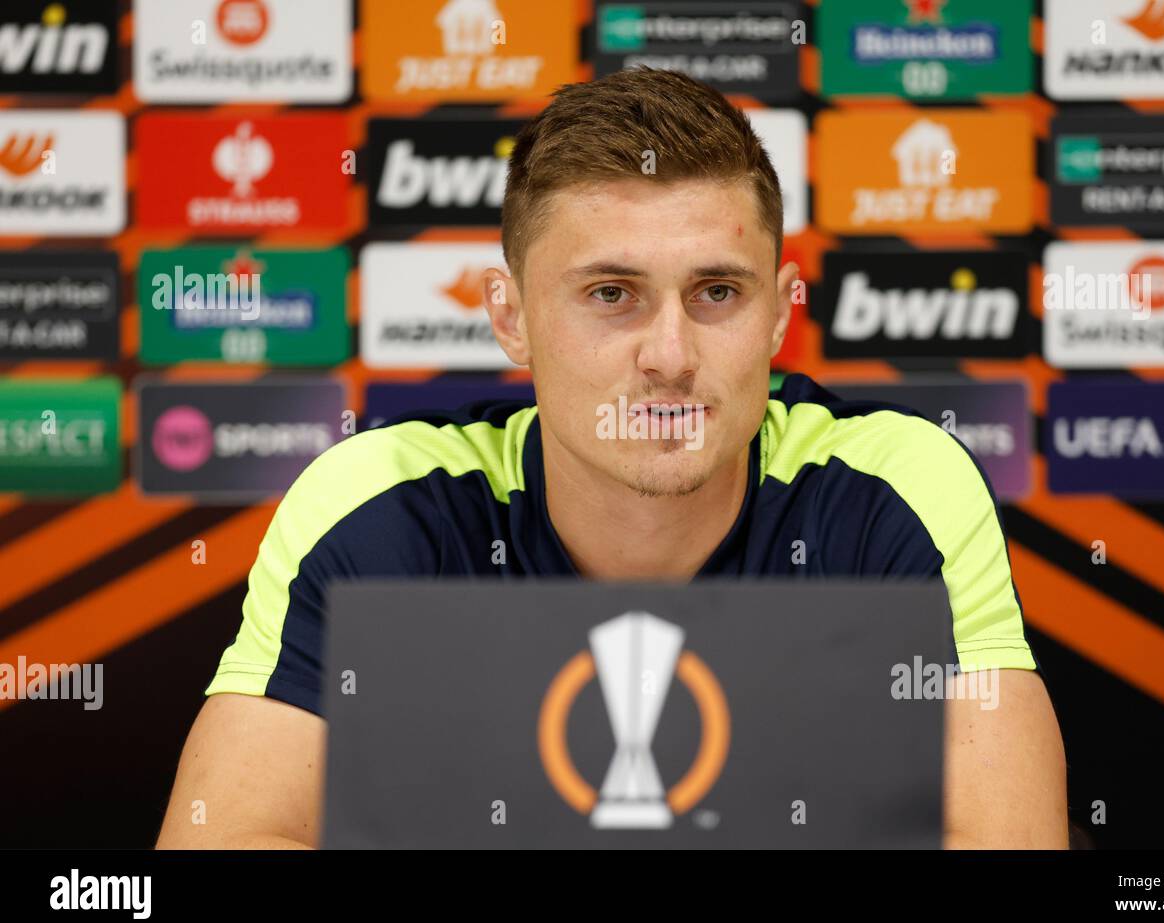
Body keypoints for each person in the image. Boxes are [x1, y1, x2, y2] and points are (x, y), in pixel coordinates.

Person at [157, 67, 1067, 849]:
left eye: (717, 291)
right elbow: (224, 831)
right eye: (611, 293)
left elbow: (1007, 837)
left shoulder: (894, 492)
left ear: (782, 313)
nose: (670, 354)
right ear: (510, 316)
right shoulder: (381, 504)